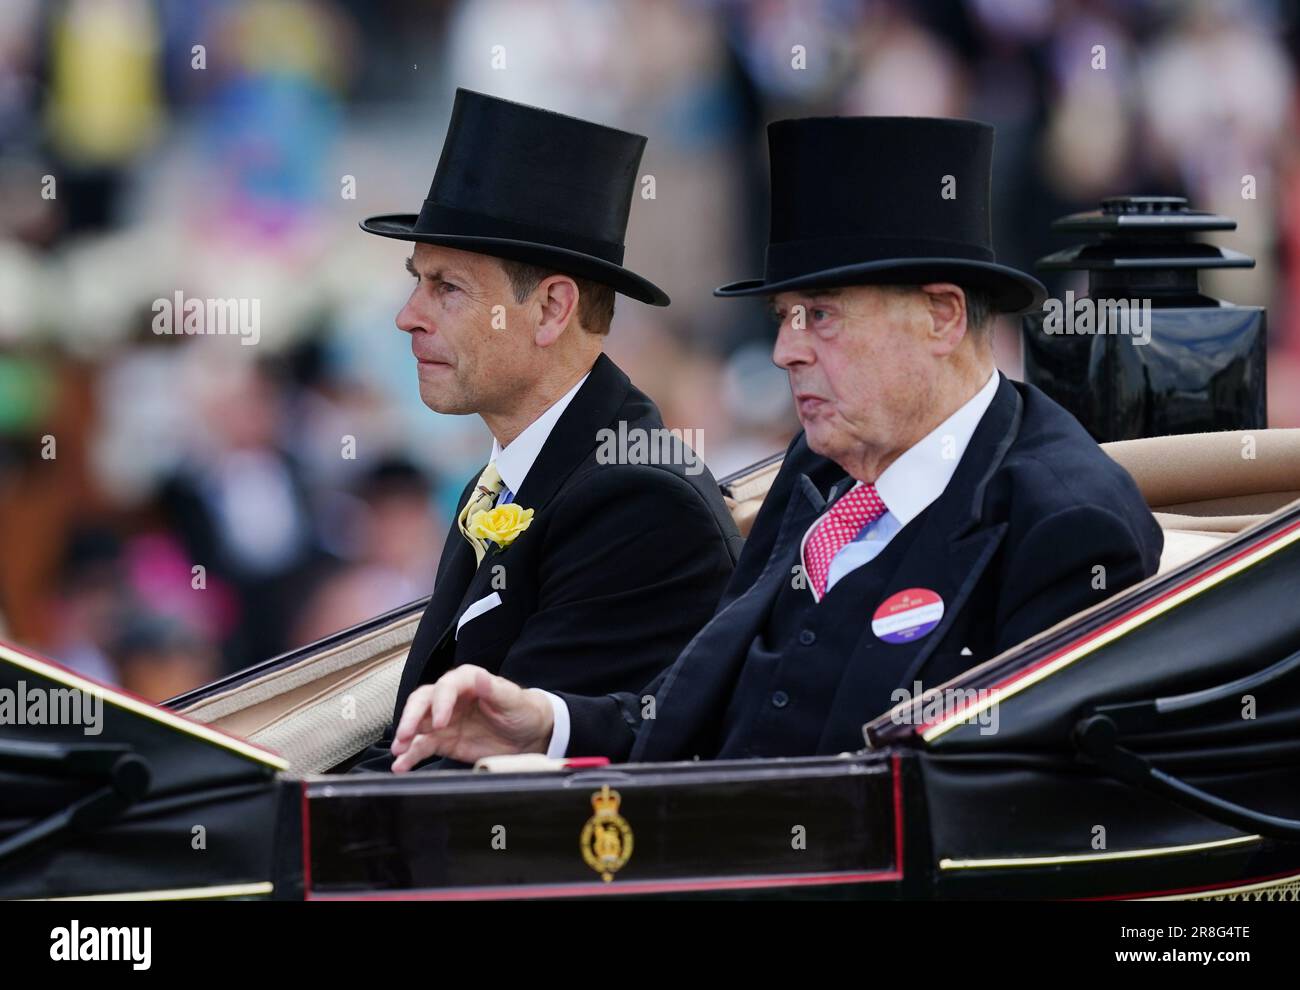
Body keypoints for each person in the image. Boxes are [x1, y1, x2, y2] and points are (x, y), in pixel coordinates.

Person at [387, 115, 1165, 771]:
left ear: (942, 316)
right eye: (782, 318)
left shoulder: (1061, 522)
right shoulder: (819, 473)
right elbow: (693, 720)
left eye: (819, 315)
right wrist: (549, 725)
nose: (786, 351)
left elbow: (1013, 812)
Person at [348, 89, 741, 772]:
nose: (408, 316)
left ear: (553, 307)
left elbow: (486, 782)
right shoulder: (515, 477)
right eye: (419, 281)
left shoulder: (637, 504)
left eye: (447, 287)